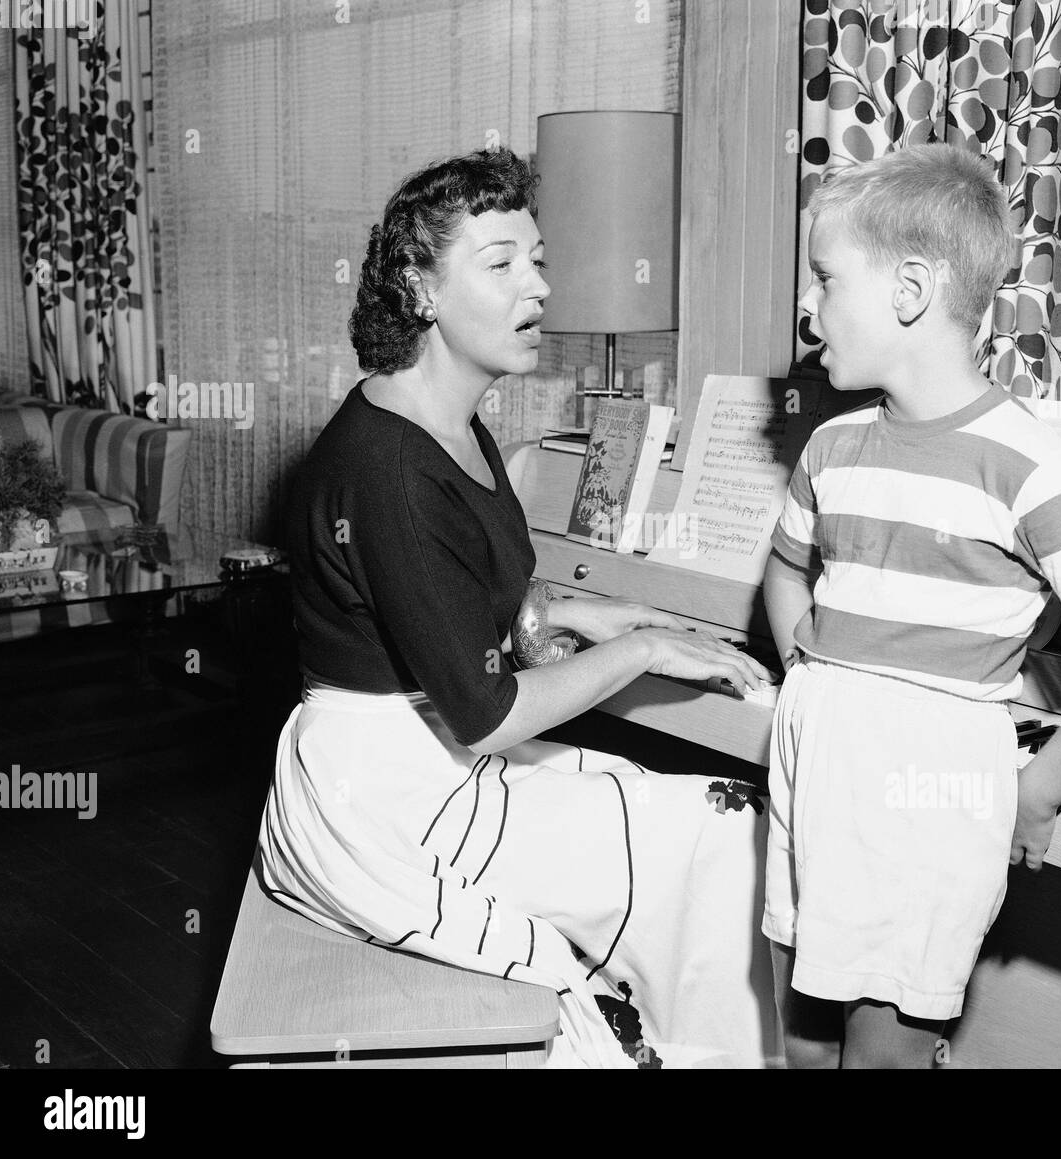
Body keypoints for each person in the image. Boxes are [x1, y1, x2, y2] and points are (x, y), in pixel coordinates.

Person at [258, 148, 777, 1068]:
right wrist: (647, 641)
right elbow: (492, 712)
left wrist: (576, 617)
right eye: (500, 264)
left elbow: (465, 605)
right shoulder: (391, 470)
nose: (538, 285)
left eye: (536, 259)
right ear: (419, 288)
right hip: (385, 794)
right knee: (713, 835)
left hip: (428, 746)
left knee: (707, 814)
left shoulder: (449, 417)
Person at [761, 143, 1061, 1068]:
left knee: (883, 1054)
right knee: (799, 1043)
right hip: (817, 762)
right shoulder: (830, 447)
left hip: (929, 789)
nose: (809, 305)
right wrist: (813, 663)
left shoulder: (1028, 466)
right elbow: (786, 569)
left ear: (910, 289)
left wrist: (1038, 788)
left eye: (827, 280)